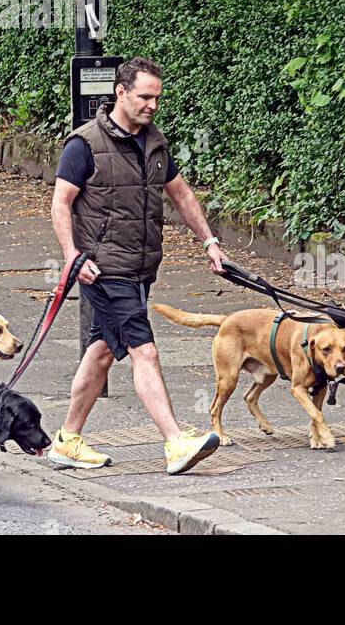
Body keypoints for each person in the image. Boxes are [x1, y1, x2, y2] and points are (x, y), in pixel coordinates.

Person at [47, 56, 230, 474]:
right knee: (143, 350)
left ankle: (68, 440)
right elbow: (61, 204)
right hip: (104, 268)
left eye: (157, 98)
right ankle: (175, 442)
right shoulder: (84, 144)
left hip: (142, 267)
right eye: (144, 96)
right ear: (120, 93)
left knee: (101, 352)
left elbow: (181, 194)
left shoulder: (154, 141)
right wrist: (73, 257)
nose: (152, 105)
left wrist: (210, 242)